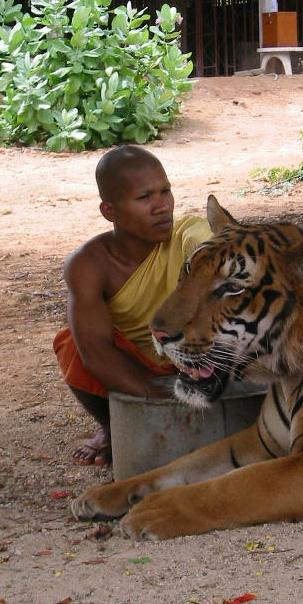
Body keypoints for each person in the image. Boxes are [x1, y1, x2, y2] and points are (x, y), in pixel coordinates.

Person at [53, 145, 211, 466]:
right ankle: (113, 427)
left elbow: (209, 243)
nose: (162, 206)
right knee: (70, 344)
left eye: (165, 191)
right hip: (135, 366)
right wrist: (154, 399)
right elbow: (95, 352)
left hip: (198, 357)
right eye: (144, 198)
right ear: (109, 211)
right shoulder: (89, 264)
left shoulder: (188, 236)